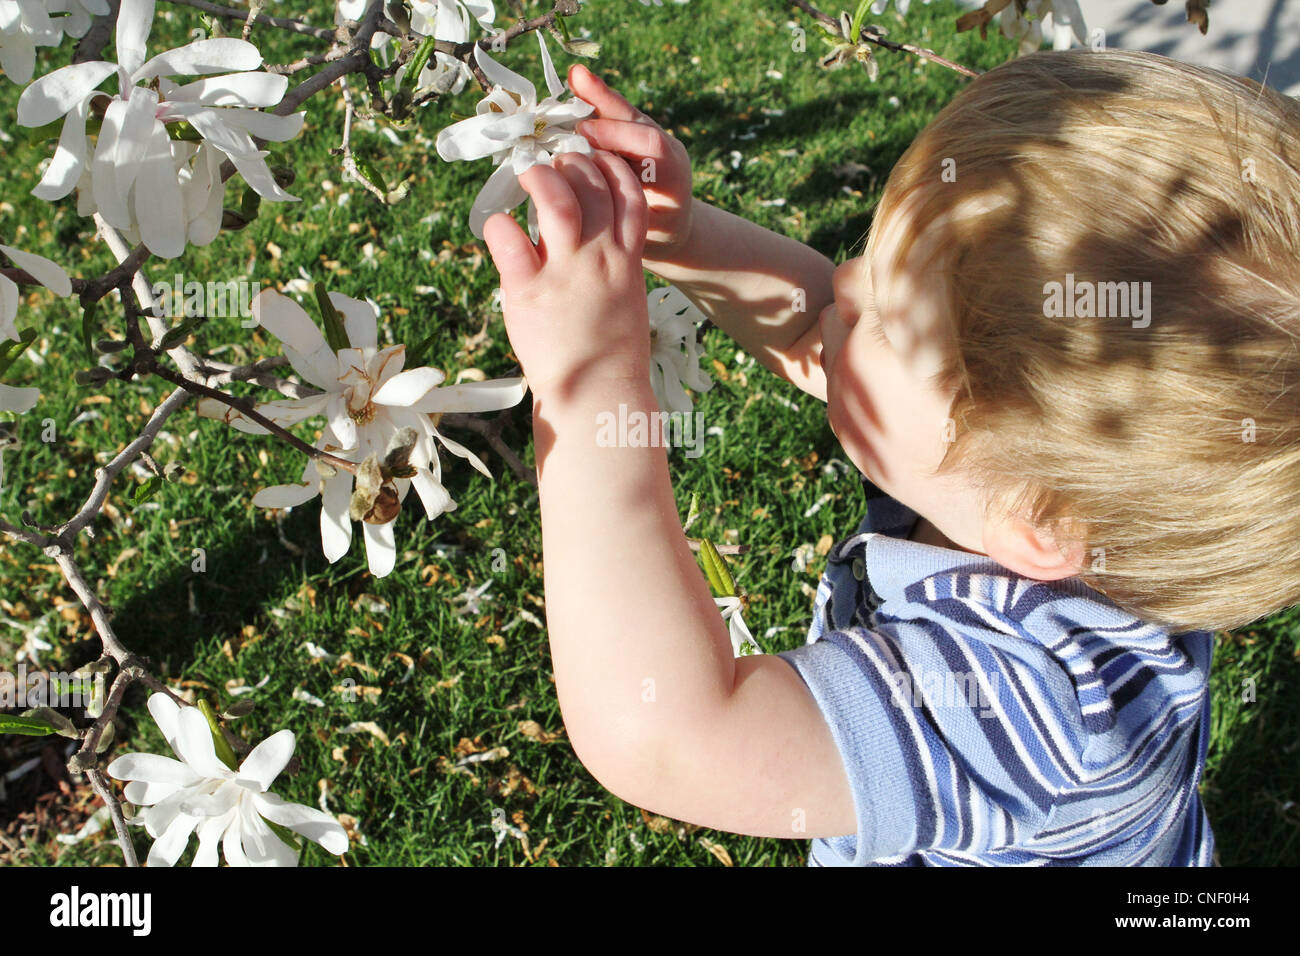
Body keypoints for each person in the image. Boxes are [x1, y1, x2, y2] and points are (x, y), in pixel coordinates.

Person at [480, 50, 1300, 865]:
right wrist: (684, 235)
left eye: (890, 315)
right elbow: (820, 340)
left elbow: (671, 733)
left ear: (1036, 524)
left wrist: (589, 385)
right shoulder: (1097, 507)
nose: (843, 280)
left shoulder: (1030, 708)